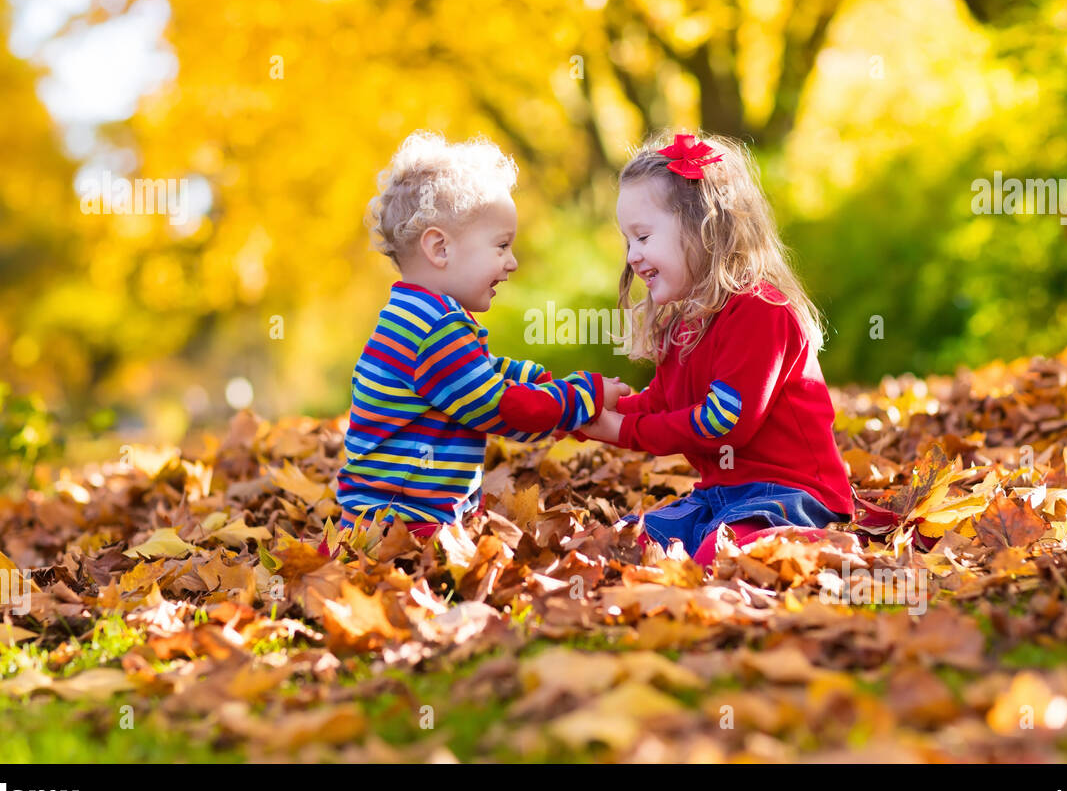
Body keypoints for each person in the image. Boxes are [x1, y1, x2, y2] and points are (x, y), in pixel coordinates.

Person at [335, 131, 629, 542]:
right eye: (501, 245)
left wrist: (548, 387)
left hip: (389, 519)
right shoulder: (435, 329)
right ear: (440, 248)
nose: (512, 262)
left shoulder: (417, 316)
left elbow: (483, 373)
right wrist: (585, 398)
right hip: (402, 527)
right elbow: (500, 408)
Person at [579, 131, 853, 566]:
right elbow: (661, 403)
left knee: (721, 557)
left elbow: (722, 422)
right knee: (618, 545)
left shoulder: (760, 309)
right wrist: (582, 409)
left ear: (703, 225)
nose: (632, 256)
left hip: (790, 496)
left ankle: (824, 547)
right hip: (719, 497)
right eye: (627, 241)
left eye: (643, 237)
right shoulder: (686, 324)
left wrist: (620, 430)